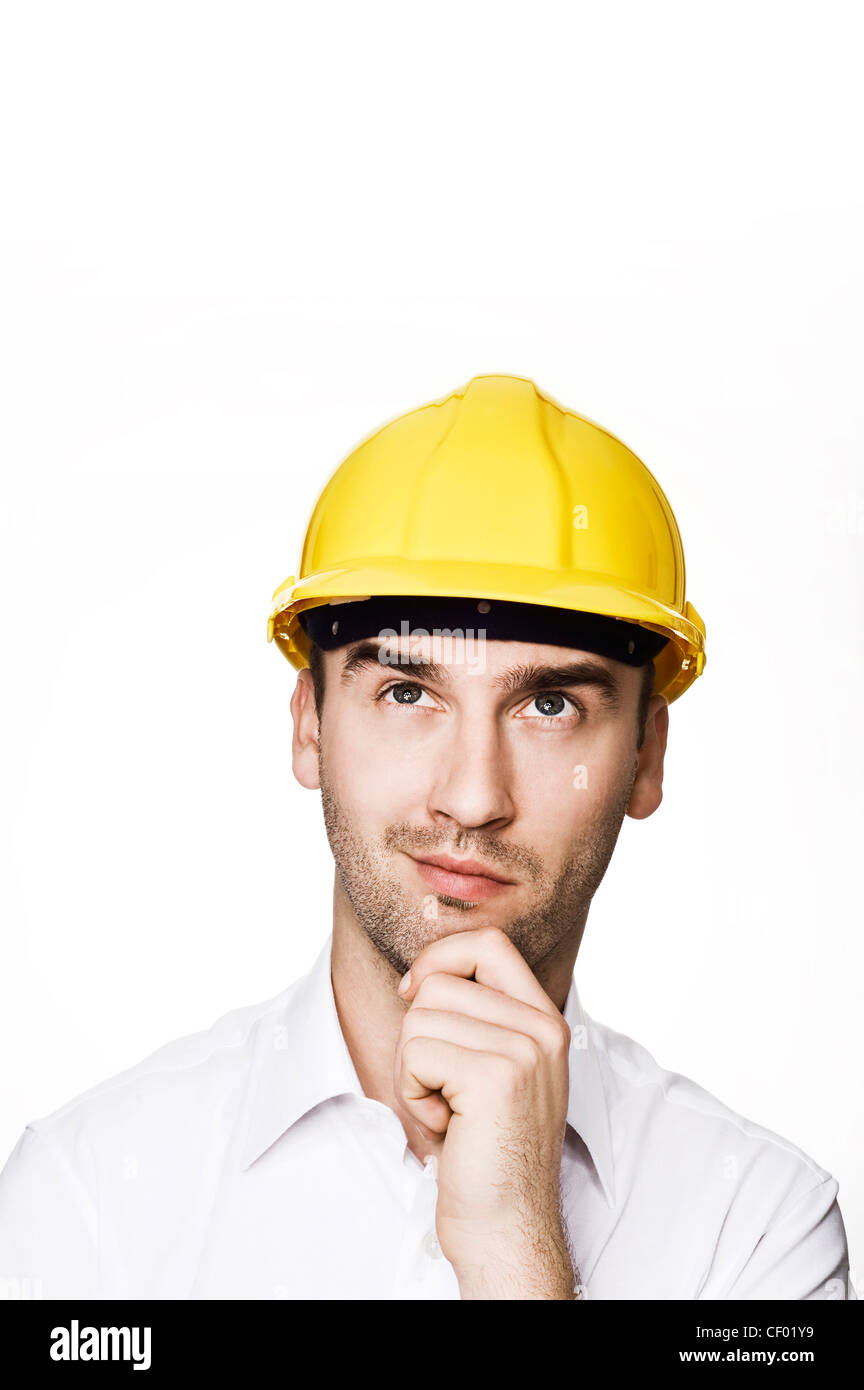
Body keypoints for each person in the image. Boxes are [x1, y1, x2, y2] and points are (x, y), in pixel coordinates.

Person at [0, 375, 853, 1300]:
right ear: (310, 727)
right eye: (408, 694)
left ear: (646, 757)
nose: (473, 797)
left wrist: (515, 1248)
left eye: (551, 704)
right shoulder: (84, 1201)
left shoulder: (762, 1231)